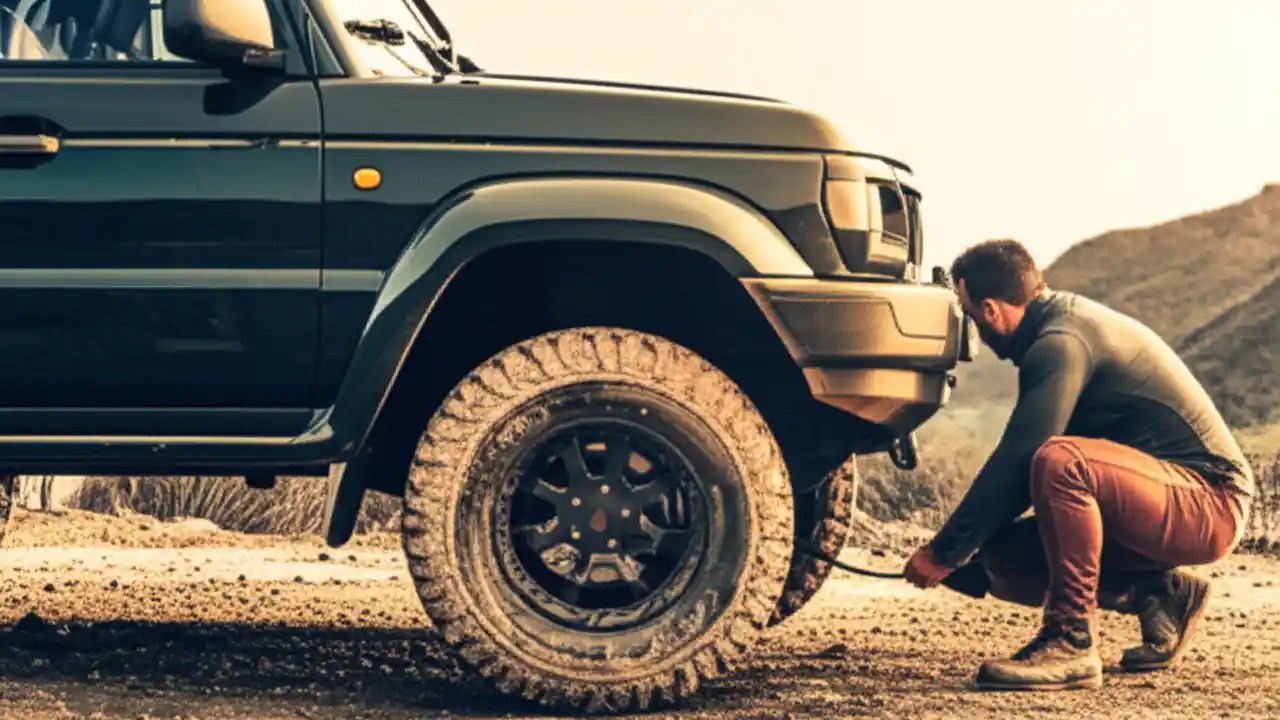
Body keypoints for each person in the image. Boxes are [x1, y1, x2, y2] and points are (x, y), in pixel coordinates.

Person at [903, 239, 1253, 691]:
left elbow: (1024, 456)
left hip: (1211, 501)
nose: (976, 333)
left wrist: (945, 551)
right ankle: (1161, 593)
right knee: (999, 558)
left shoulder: (1061, 341)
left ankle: (1069, 640)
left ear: (989, 311)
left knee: (1060, 461)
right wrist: (966, 553)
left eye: (970, 317)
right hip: (1166, 504)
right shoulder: (1057, 329)